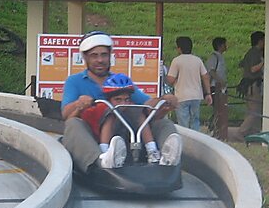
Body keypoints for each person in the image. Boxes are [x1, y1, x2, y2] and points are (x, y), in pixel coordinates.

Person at [61, 31, 181, 173]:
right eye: (94, 55)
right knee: (73, 124)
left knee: (163, 123)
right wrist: (78, 105)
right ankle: (100, 160)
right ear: (85, 57)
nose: (100, 60)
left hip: (124, 132)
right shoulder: (75, 81)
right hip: (93, 134)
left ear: (109, 56)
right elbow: (66, 115)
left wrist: (164, 102)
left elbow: (146, 105)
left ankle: (165, 156)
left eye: (104, 55)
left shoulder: (119, 81)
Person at [86, 73, 161, 168]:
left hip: (129, 138)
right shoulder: (102, 107)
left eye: (126, 99)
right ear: (109, 99)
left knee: (137, 110)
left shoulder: (131, 108)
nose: (123, 103)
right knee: (111, 113)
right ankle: (104, 154)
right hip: (107, 139)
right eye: (118, 99)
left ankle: (152, 151)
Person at [167, 36, 211, 131]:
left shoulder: (177, 61)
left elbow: (170, 79)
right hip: (196, 95)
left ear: (179, 48)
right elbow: (205, 76)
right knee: (195, 121)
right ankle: (196, 141)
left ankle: (186, 143)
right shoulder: (197, 60)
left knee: (183, 124)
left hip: (182, 96)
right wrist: (208, 93)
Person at [238, 31, 265, 136]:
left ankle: (251, 133)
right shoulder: (254, 53)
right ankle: (242, 132)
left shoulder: (251, 52)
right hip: (253, 85)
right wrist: (263, 62)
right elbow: (253, 69)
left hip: (250, 85)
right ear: (260, 41)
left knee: (251, 110)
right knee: (254, 111)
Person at [205, 36, 229, 141]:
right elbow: (211, 71)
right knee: (217, 109)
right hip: (215, 87)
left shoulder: (220, 57)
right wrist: (220, 81)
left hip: (220, 87)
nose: (226, 46)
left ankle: (216, 128)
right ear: (220, 46)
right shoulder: (214, 57)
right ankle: (212, 127)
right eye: (224, 44)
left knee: (220, 109)